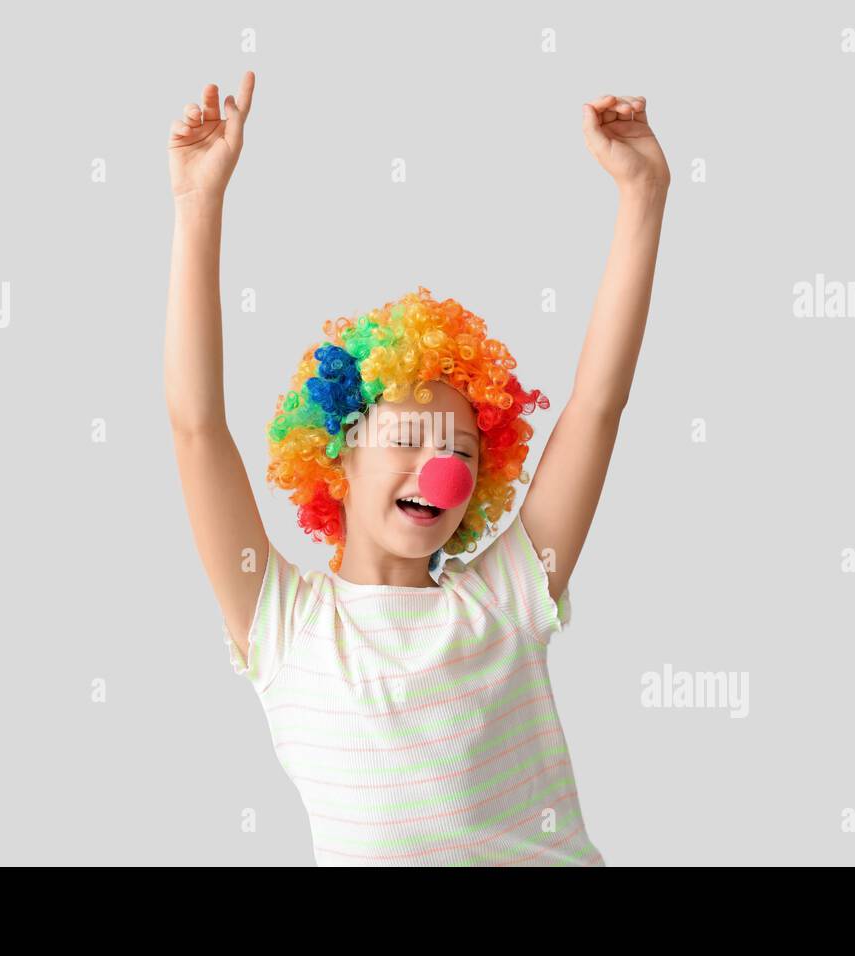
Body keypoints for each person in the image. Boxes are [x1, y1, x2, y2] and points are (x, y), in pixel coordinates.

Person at [165, 71, 669, 865]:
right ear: (337, 455)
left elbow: (597, 408)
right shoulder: (285, 625)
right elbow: (196, 430)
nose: (439, 466)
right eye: (411, 437)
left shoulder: (505, 598)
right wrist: (199, 204)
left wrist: (642, 195)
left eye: (462, 451)